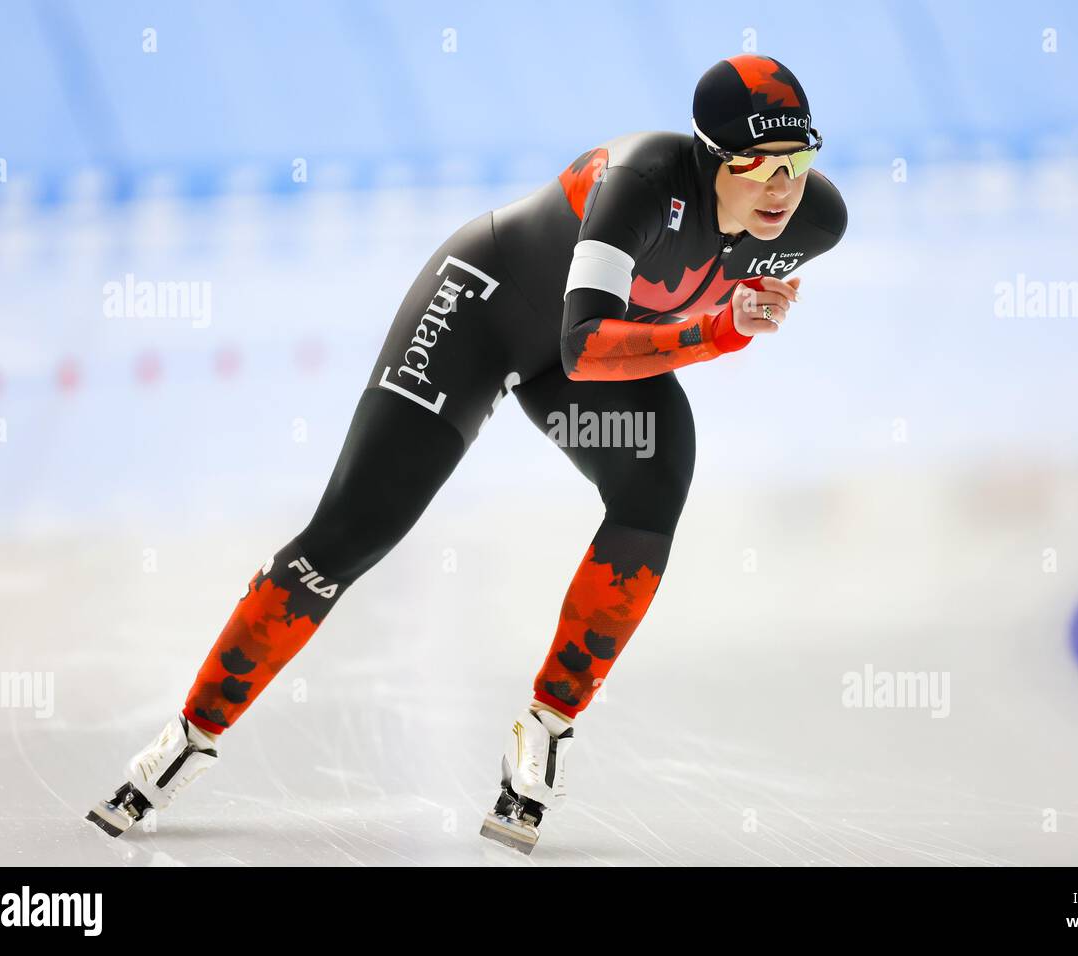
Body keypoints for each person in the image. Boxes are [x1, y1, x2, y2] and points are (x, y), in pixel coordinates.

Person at [87, 54, 848, 854]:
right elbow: (588, 343)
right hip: (482, 317)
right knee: (352, 533)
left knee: (658, 477)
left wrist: (738, 307)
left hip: (569, 377)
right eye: (760, 164)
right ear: (708, 155)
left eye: (801, 162)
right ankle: (189, 734)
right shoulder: (641, 181)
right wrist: (721, 331)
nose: (783, 187)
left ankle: (547, 726)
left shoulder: (812, 223)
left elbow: (681, 305)